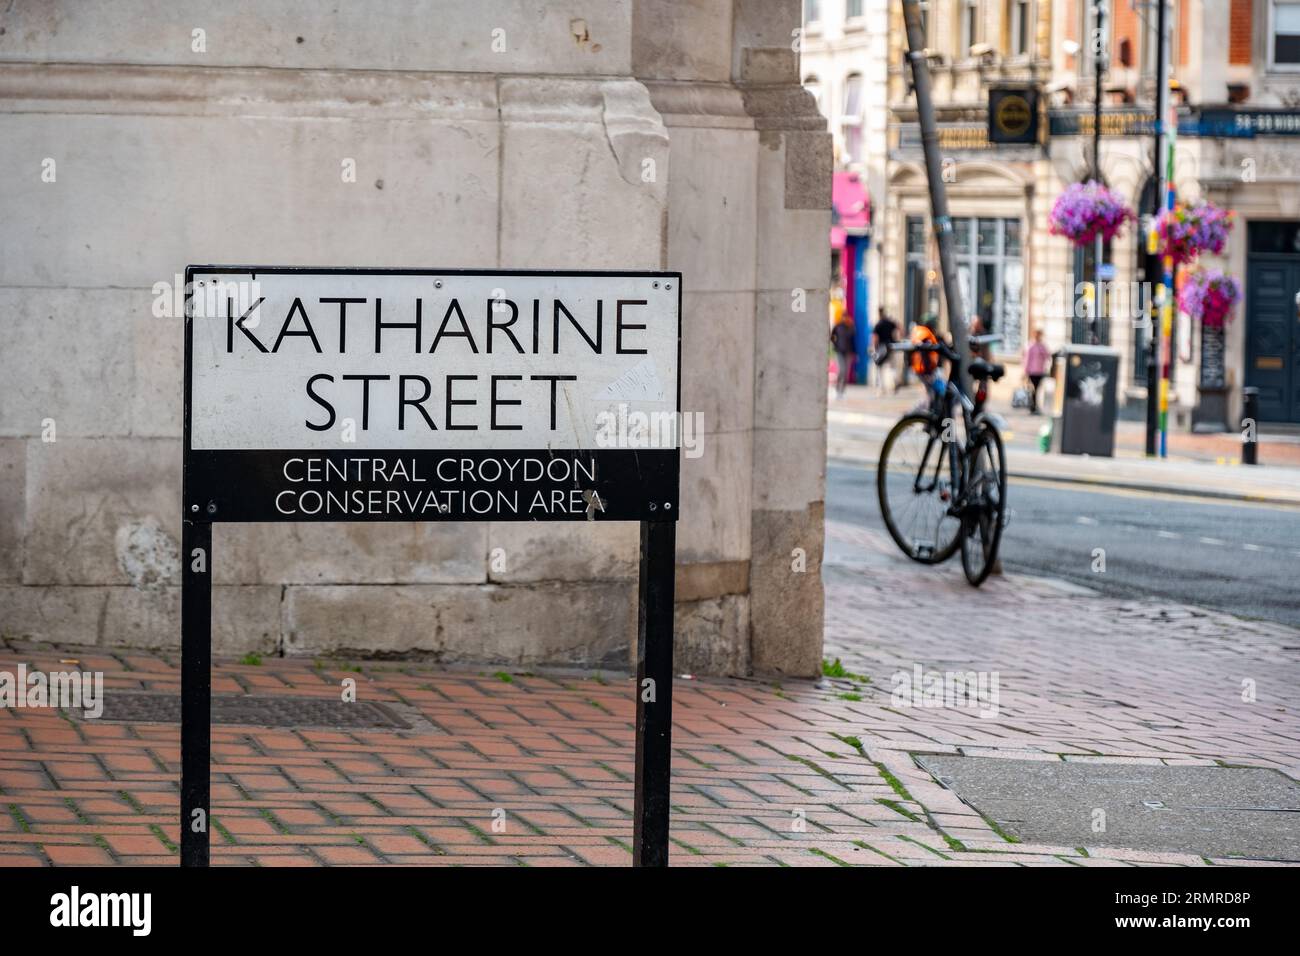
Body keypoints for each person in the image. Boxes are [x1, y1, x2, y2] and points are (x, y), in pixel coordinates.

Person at [829, 289, 856, 398]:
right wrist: (835, 345)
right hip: (839, 351)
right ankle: (837, 389)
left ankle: (842, 390)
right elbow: (832, 337)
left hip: (848, 352)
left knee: (845, 373)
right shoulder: (838, 326)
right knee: (841, 370)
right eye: (843, 316)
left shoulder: (850, 326)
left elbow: (853, 339)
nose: (845, 318)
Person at [871, 308, 900, 395]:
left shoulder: (878, 324)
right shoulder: (890, 322)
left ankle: (881, 388)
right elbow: (899, 327)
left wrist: (875, 348)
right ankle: (896, 380)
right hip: (891, 346)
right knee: (892, 367)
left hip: (882, 347)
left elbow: (875, 338)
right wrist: (899, 338)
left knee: (879, 367)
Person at [1023, 326, 1050, 415]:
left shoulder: (1042, 346)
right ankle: (1032, 407)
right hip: (1032, 371)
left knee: (1037, 390)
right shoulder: (1030, 345)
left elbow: (1047, 356)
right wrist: (1025, 372)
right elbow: (1027, 359)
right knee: (1033, 390)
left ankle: (1034, 406)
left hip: (1040, 371)